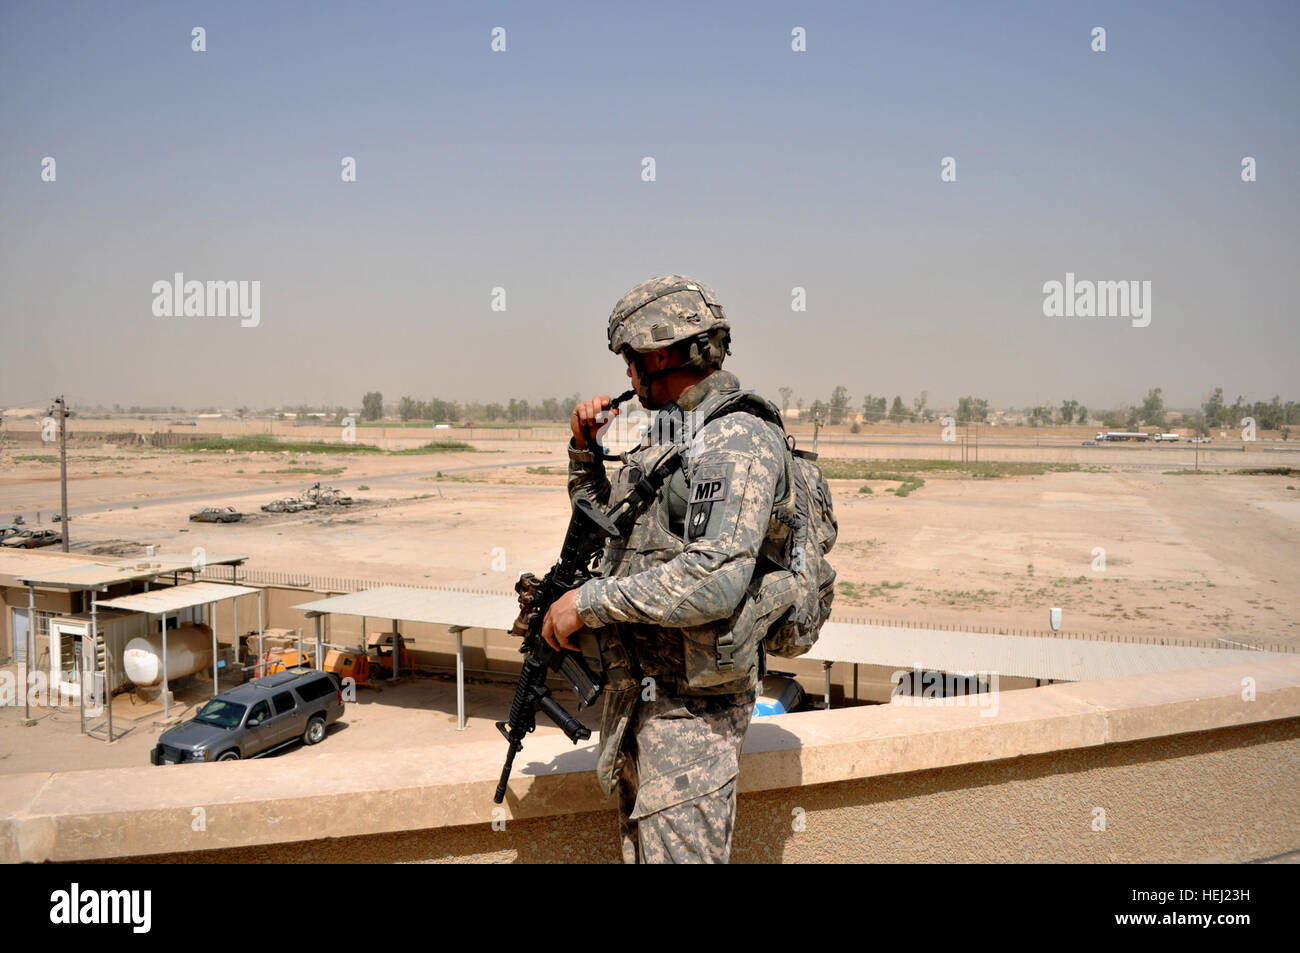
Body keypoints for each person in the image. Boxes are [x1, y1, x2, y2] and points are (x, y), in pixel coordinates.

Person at [541, 275, 788, 863]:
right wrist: (585, 450)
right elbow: (609, 527)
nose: (626, 376)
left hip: (693, 716)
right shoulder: (671, 436)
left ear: (660, 355)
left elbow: (717, 577)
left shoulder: (735, 439)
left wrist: (590, 603)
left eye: (631, 362)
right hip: (646, 699)